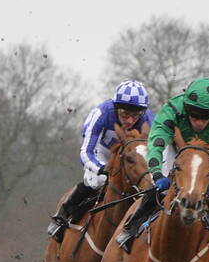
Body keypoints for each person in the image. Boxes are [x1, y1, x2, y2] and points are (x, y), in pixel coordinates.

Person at [114, 77, 209, 262]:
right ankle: (131, 229)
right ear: (186, 107)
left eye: (205, 117)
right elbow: (155, 145)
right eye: (194, 115)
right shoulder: (172, 110)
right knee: (160, 188)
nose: (198, 123)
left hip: (205, 154)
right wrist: (157, 174)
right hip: (175, 148)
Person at [46, 80, 152, 242]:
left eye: (135, 115)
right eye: (124, 113)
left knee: (147, 186)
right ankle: (63, 215)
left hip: (133, 157)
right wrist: (101, 168)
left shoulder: (149, 120)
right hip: (103, 153)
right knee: (97, 181)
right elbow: (86, 151)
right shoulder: (101, 114)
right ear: (115, 107)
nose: (130, 120)